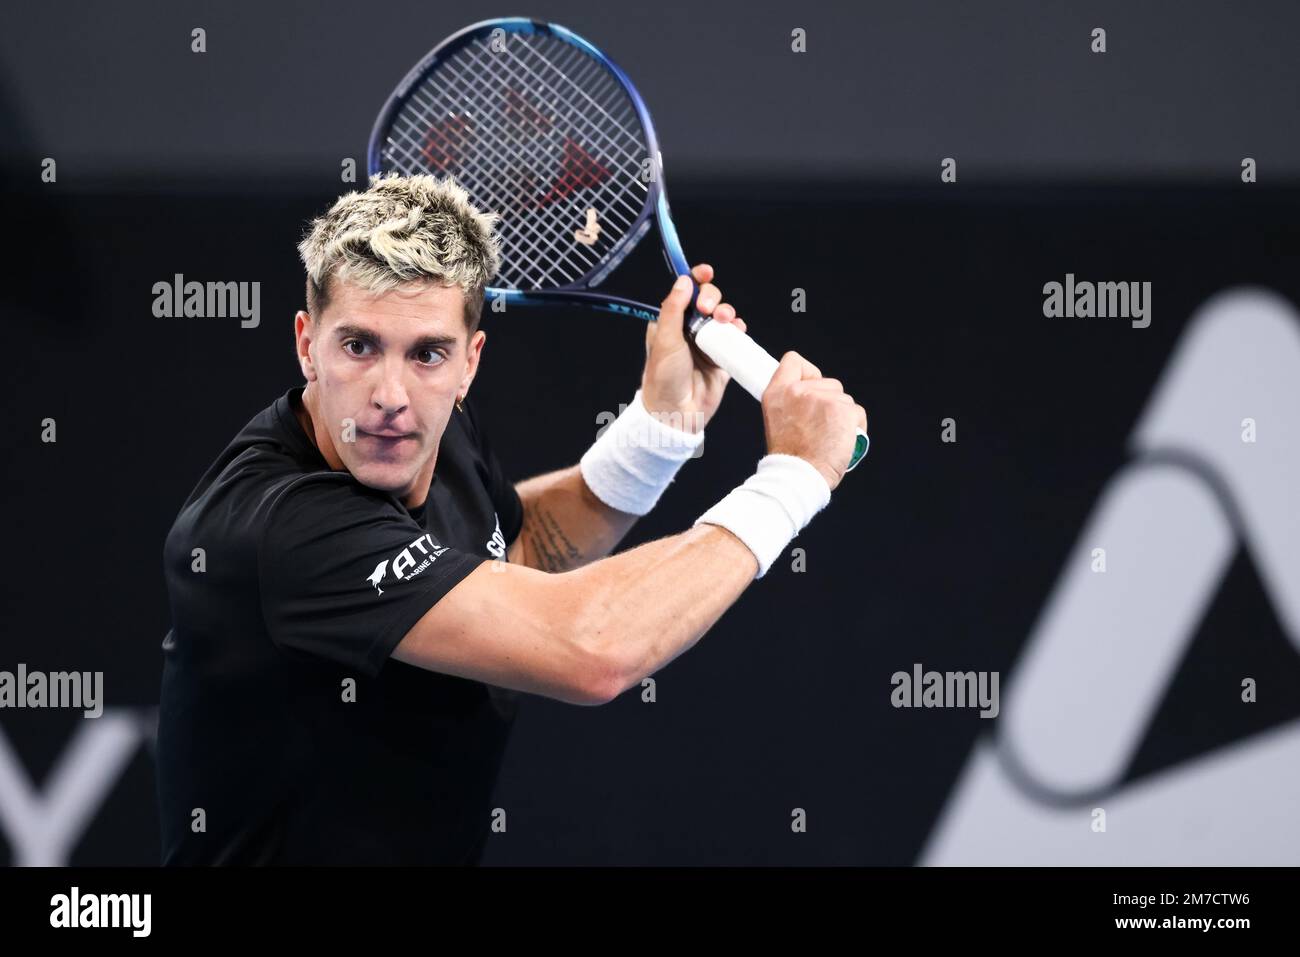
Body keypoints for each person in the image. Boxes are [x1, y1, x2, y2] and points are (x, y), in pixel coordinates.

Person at [156, 173, 867, 865]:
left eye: (427, 353)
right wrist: (795, 475)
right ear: (307, 342)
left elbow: (514, 554)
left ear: (471, 362)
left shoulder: (432, 435)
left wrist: (660, 427)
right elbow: (593, 648)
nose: (390, 394)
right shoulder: (281, 528)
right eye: (359, 345)